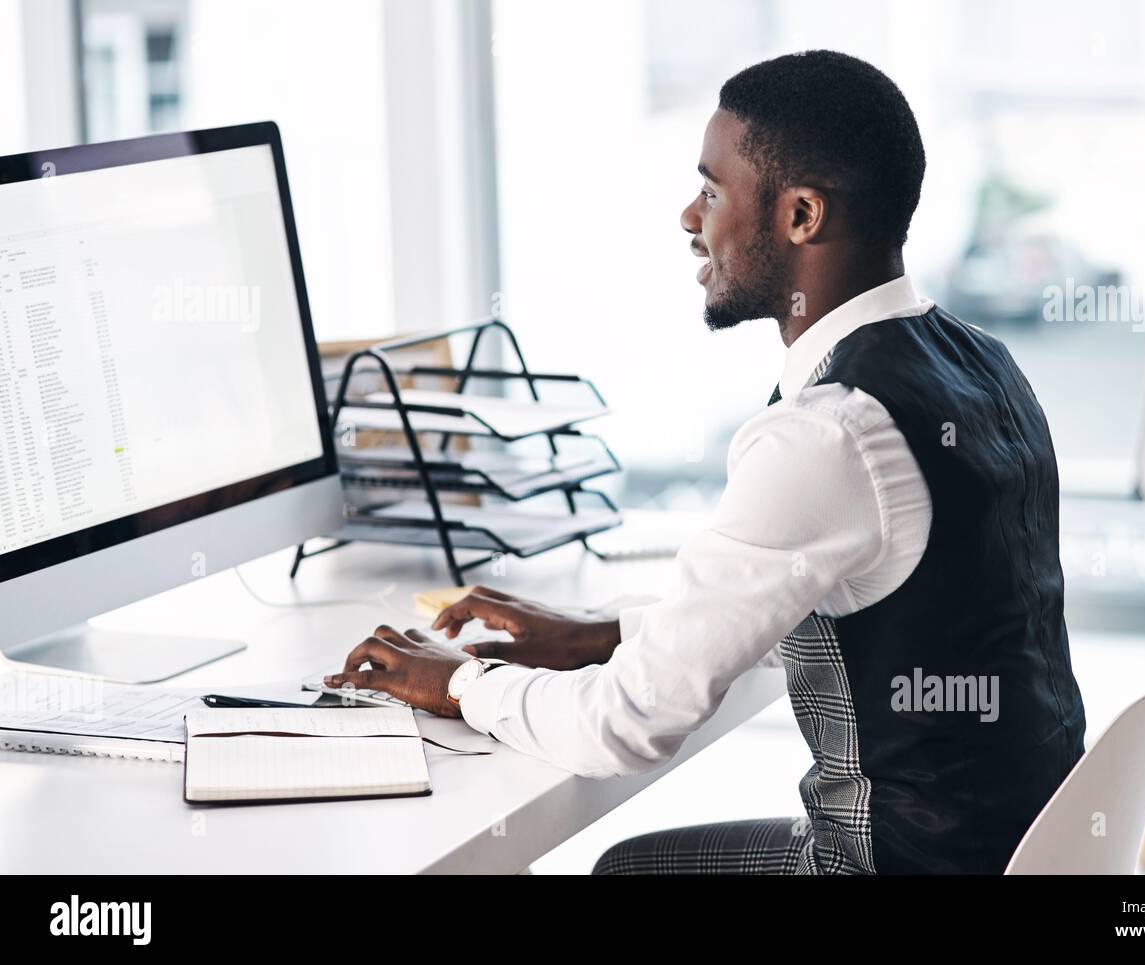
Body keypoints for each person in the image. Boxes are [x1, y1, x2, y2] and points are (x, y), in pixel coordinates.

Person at [327, 49, 1086, 875]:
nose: (690, 217)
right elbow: (873, 604)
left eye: (713, 192)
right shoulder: (984, 365)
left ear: (800, 216)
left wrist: (460, 685)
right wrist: (604, 633)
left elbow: (626, 722)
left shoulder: (829, 430)